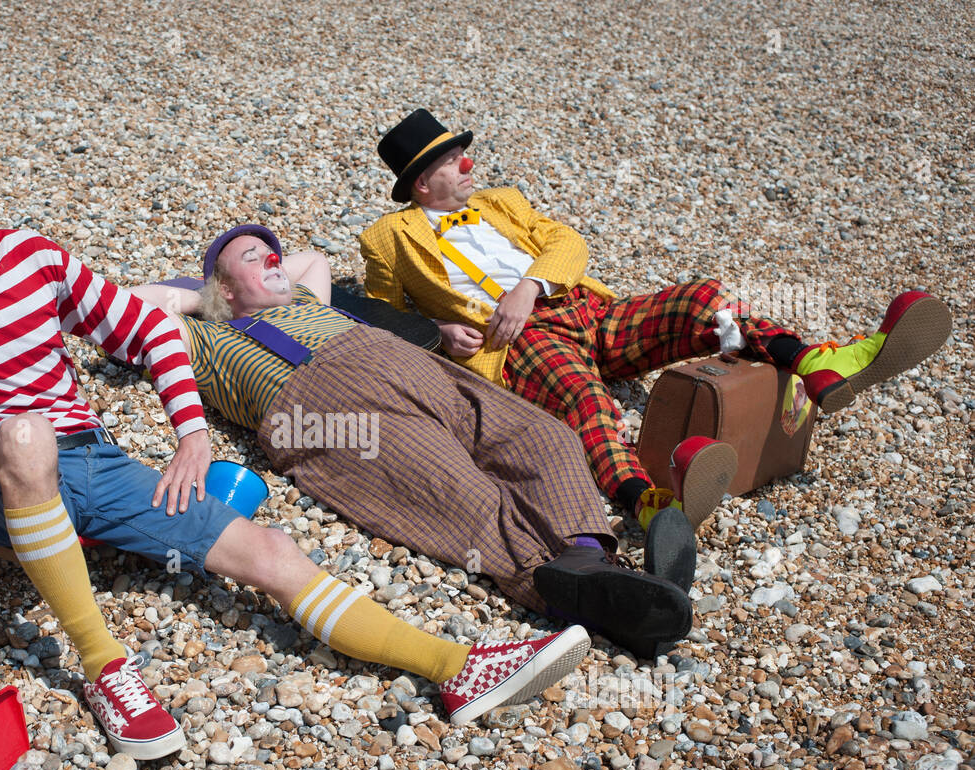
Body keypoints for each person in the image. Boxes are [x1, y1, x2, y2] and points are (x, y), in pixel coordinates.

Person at [0, 102, 595, 763]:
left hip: (99, 462)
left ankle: (457, 666)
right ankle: (103, 668)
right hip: (0, 486)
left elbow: (146, 333)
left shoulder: (34, 257)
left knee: (273, 552)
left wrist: (191, 433)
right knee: (25, 438)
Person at [360, 109, 953, 566]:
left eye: (465, 154)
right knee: (585, 400)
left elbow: (567, 243)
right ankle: (650, 501)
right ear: (420, 184)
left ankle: (821, 363)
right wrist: (435, 334)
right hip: (520, 344)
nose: (468, 166)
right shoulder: (389, 236)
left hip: (582, 308)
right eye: (453, 160)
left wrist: (529, 286)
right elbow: (379, 316)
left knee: (703, 299)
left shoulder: (502, 201)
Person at [129, 224, 694, 661]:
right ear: (222, 287)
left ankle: (591, 560)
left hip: (407, 363)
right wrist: (202, 298)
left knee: (540, 436)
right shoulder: (202, 340)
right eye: (252, 259)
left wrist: (255, 269)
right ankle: (559, 588)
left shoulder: (307, 300)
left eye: (269, 252)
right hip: (324, 405)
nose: (274, 260)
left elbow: (314, 260)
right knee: (455, 489)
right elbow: (136, 303)